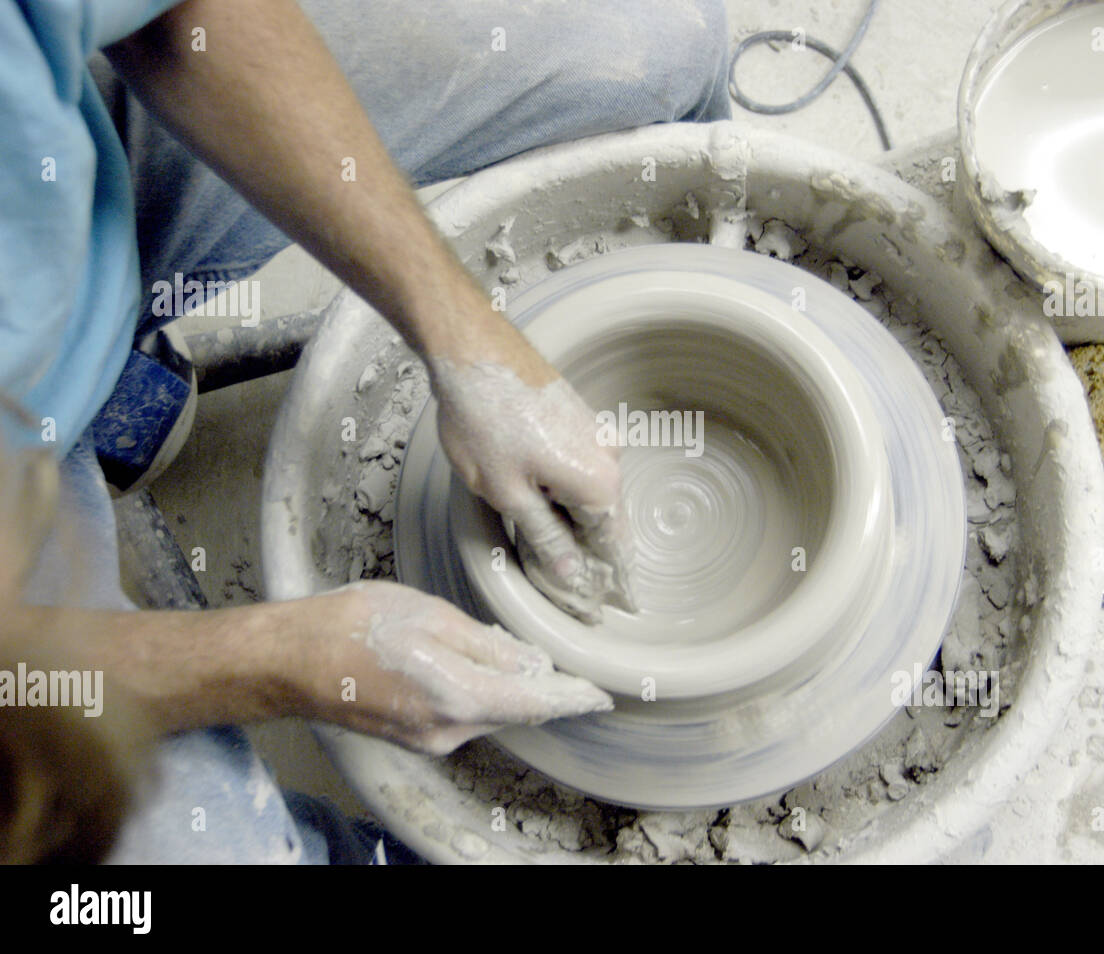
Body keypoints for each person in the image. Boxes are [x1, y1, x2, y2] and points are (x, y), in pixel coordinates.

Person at [0, 0, 730, 863]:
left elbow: (180, 17)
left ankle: (85, 359)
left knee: (656, 38)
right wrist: (281, 658)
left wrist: (466, 340)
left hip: (55, 208)